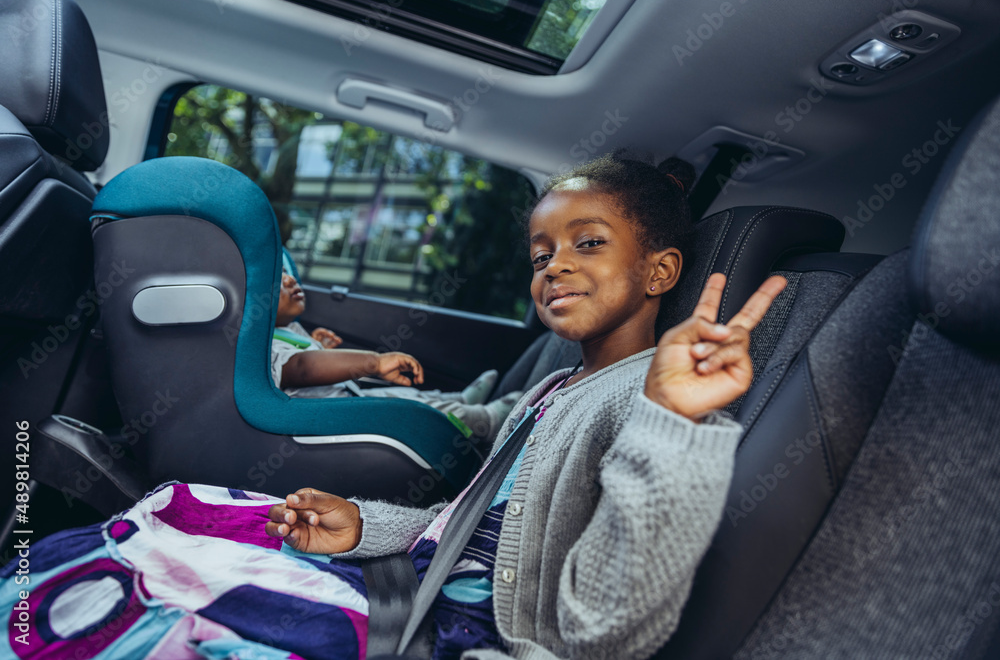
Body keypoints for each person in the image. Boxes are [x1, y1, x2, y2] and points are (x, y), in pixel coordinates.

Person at [0, 153, 785, 660]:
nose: (553, 268)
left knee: (137, 611)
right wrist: (364, 526)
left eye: (588, 244)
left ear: (660, 271)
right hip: (419, 584)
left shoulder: (650, 403)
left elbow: (608, 630)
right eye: (541, 253)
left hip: (468, 635)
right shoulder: (560, 387)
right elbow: (477, 531)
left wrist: (675, 423)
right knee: (167, 518)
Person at [271, 269, 518, 439]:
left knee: (406, 393)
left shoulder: (287, 329)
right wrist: (374, 363)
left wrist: (318, 347)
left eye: (286, 273)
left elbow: (308, 362)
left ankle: (461, 400)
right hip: (333, 416)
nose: (290, 279)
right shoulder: (264, 347)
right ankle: (486, 421)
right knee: (414, 408)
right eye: (277, 281)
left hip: (348, 399)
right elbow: (302, 368)